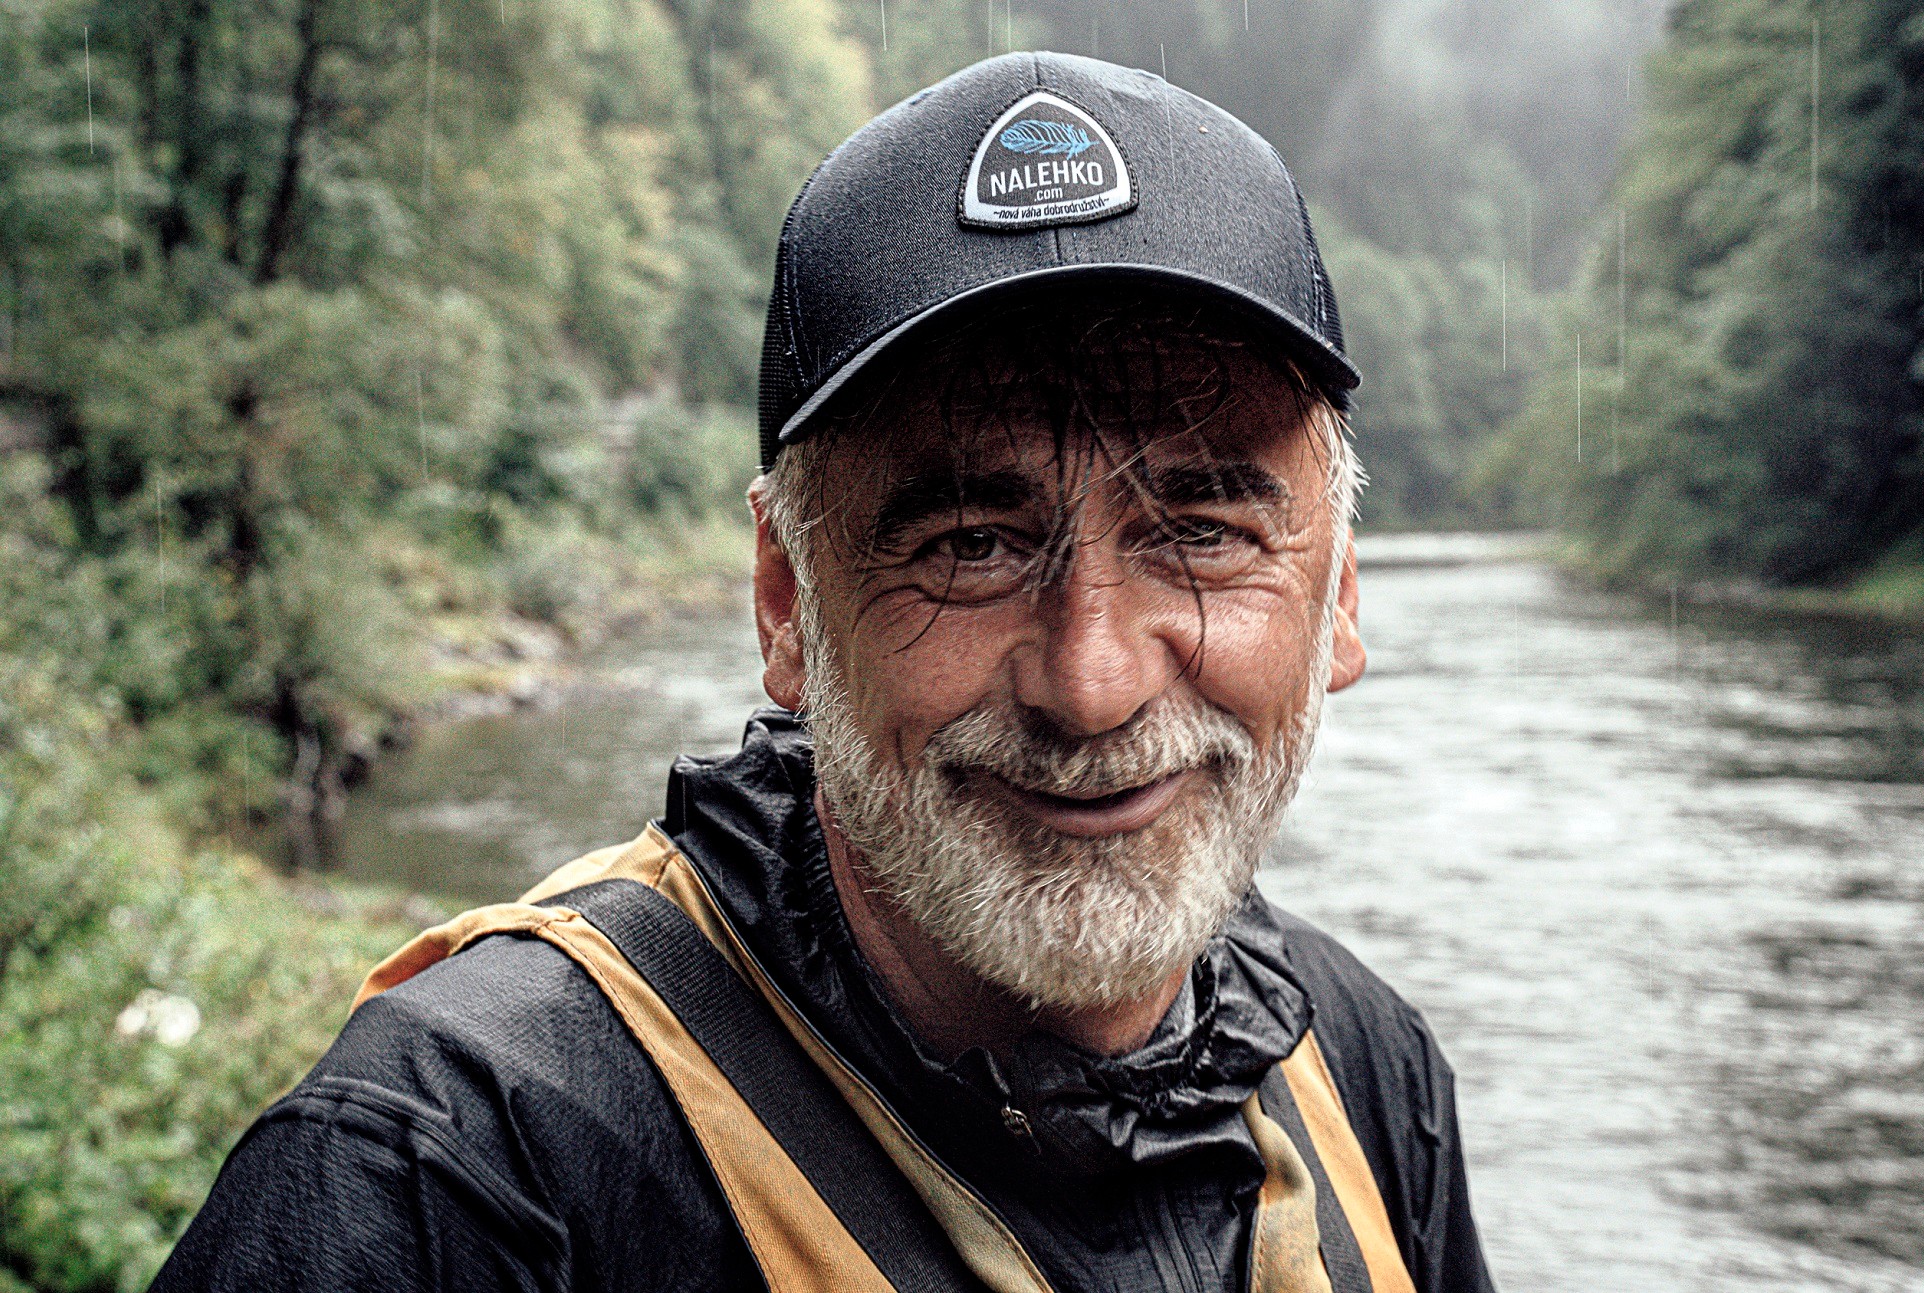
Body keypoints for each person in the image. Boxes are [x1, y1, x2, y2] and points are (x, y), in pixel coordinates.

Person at [152, 52, 1496, 1293]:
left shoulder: (1365, 1078)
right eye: (971, 543)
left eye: (1201, 532)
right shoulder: (450, 1180)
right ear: (787, 599)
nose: (1091, 682)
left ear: (1341, 597)